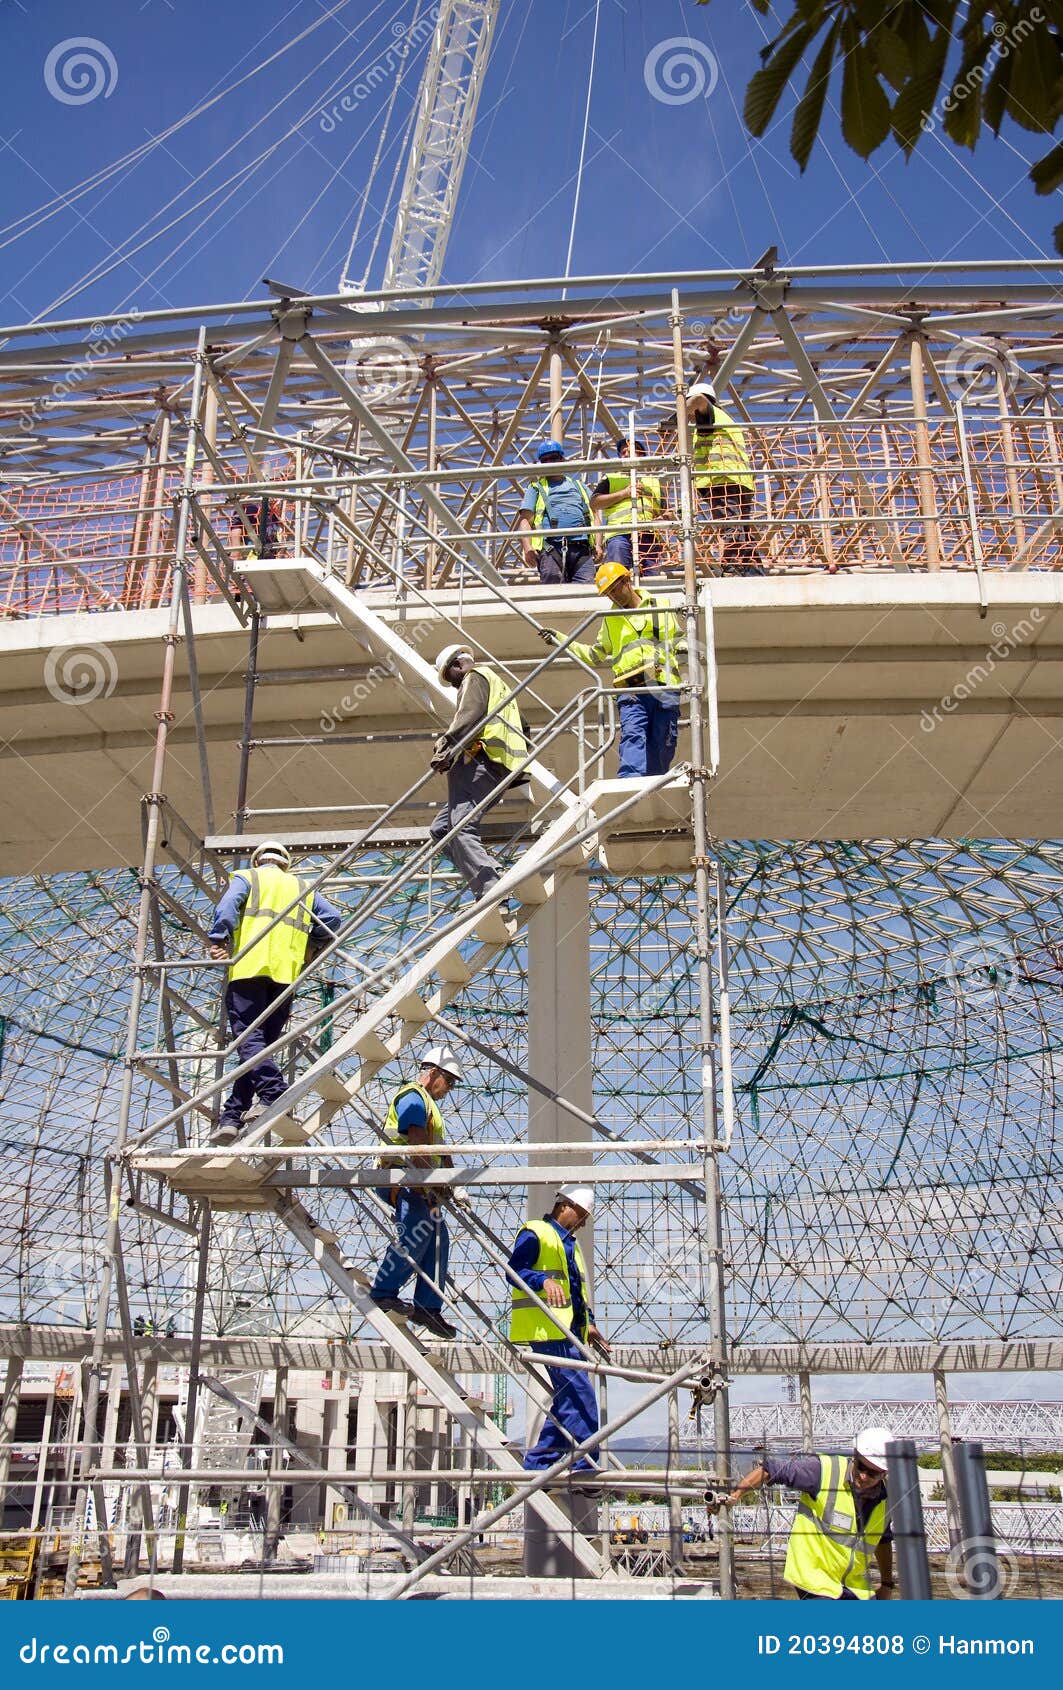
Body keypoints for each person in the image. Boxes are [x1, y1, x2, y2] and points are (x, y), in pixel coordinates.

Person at [207, 841, 343, 1144]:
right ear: (286, 863)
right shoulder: (302, 887)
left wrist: (218, 938)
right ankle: (233, 1115)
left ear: (257, 860)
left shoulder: (248, 878)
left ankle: (274, 1092)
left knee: (248, 1040)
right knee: (259, 1046)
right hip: (285, 976)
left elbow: (227, 907)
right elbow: (333, 919)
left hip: (249, 968)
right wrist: (311, 945)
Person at [542, 561, 683, 778]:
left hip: (664, 686)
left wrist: (687, 651)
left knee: (664, 739)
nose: (613, 596)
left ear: (627, 581)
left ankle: (654, 782)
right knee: (632, 734)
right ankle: (629, 782)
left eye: (614, 589)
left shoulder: (660, 604)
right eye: (608, 593)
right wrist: (560, 640)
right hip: (631, 689)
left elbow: (678, 639)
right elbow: (594, 655)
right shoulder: (610, 619)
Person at [720, 1426, 896, 1600]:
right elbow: (769, 1470)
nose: (863, 1476)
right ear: (855, 1456)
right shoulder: (823, 1471)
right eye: (861, 1466)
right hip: (814, 1578)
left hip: (853, 1586)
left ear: (884, 1474)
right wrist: (735, 1495)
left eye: (872, 1473)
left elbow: (882, 1540)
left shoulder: (885, 1500)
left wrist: (887, 1584)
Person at [507, 1185, 610, 1472]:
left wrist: (589, 1324)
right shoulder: (536, 1232)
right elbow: (514, 1271)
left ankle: (537, 1465)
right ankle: (587, 1465)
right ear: (565, 1205)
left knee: (568, 1400)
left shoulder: (570, 1244)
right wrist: (542, 1281)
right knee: (580, 1396)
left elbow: (576, 1291)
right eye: (582, 1215)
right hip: (549, 1329)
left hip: (570, 1332)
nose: (584, 1222)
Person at [370, 1046, 462, 1340]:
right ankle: (383, 1292)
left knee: (438, 1240)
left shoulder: (430, 1105)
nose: (449, 1089)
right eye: (449, 1081)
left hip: (423, 1183)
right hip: (404, 1178)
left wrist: (450, 1182)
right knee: (415, 1234)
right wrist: (434, 1181)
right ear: (433, 1073)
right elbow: (417, 1144)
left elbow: (439, 1150)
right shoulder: (413, 1097)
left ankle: (428, 1307)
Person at [429, 644, 529, 899]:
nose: (455, 686)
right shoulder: (500, 687)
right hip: (500, 768)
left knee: (460, 828)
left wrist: (447, 747)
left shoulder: (475, 677)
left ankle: (492, 887)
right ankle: (487, 876)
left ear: (457, 665)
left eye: (451, 679)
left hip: (479, 761)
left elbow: (469, 714)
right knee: (441, 830)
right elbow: (524, 727)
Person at [687, 376, 763, 575]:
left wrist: (678, 414)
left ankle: (732, 567)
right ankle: (754, 572)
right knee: (741, 527)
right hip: (738, 481)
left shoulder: (708, 415)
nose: (689, 418)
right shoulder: (725, 419)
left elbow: (699, 400)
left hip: (722, 481)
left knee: (730, 524)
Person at [518, 441, 597, 584]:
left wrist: (598, 544)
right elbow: (525, 520)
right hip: (551, 547)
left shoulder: (579, 486)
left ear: (562, 459)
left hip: (582, 548)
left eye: (553, 458)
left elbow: (595, 515)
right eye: (545, 460)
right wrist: (527, 548)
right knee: (553, 589)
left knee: (586, 590)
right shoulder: (536, 488)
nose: (550, 463)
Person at [591, 434, 667, 577]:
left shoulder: (654, 482)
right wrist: (624, 493)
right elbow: (595, 503)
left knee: (653, 580)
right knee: (618, 577)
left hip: (648, 536)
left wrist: (665, 517)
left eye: (630, 451)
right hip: (619, 534)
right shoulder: (611, 478)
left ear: (641, 454)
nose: (626, 454)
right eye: (623, 452)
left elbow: (663, 512)